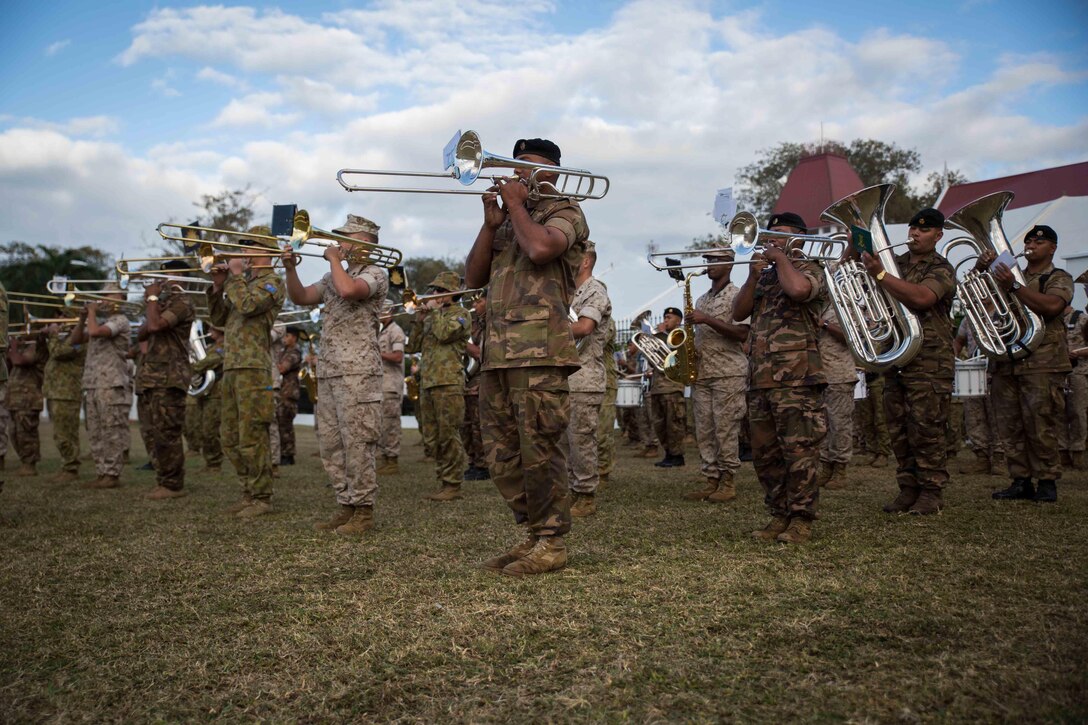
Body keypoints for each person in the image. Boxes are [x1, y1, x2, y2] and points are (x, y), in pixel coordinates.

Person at [464, 136, 589, 576]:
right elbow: (472, 277)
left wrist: (517, 208)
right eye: (516, 166)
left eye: (529, 167)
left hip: (540, 351)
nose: (519, 173)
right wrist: (489, 223)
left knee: (540, 449)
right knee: (502, 454)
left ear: (551, 172)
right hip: (498, 353)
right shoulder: (506, 223)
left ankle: (552, 542)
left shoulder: (566, 211)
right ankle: (534, 532)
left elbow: (541, 249)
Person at [283, 214, 386, 535]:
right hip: (329, 371)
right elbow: (300, 297)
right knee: (331, 443)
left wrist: (332, 260)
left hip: (359, 372)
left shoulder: (375, 274)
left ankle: (364, 511)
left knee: (357, 442)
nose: (335, 243)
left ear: (363, 243)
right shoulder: (333, 275)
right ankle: (346, 504)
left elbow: (347, 291)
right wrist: (290, 268)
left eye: (343, 238)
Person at [733, 212, 827, 543]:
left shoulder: (811, 269)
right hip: (761, 378)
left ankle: (801, 519)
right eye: (770, 235)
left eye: (781, 234)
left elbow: (800, 291)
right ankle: (778, 513)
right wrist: (751, 278)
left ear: (800, 237)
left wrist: (781, 259)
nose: (772, 240)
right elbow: (738, 312)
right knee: (766, 453)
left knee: (799, 451)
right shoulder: (766, 276)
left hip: (798, 379)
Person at [860, 208, 956, 515]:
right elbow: (868, 291)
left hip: (930, 360)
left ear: (938, 235)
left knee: (926, 427)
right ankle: (908, 487)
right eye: (913, 228)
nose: (915, 233)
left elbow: (922, 298)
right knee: (898, 427)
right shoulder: (894, 263)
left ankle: (931, 490)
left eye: (924, 230)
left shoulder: (941, 268)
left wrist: (880, 274)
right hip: (898, 356)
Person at [983, 225, 1072, 503]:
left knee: (1041, 422)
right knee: (1009, 423)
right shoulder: (1008, 275)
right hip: (1007, 360)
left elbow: (1052, 307)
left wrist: (1015, 286)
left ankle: (1046, 481)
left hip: (1042, 362)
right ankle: (1020, 479)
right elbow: (983, 305)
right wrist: (983, 270)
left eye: (1040, 240)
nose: (1032, 243)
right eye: (1029, 239)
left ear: (1053, 248)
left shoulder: (1058, 277)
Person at [206, 226, 285, 517]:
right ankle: (247, 491)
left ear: (265, 250)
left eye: (248, 246)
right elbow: (219, 320)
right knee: (229, 436)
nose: (242, 251)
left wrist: (236, 276)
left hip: (254, 368)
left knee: (252, 435)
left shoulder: (273, 282)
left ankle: (262, 497)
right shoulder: (241, 283)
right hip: (232, 365)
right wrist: (217, 286)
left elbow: (248, 305)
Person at [684, 248, 749, 502]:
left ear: (730, 263)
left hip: (728, 373)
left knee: (725, 428)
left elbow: (743, 333)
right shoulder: (700, 299)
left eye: (715, 260)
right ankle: (711, 478)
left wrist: (707, 320)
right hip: (702, 373)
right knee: (705, 429)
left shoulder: (738, 296)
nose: (709, 264)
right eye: (707, 260)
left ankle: (728, 481)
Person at [405, 271, 471, 501]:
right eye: (434, 290)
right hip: (428, 383)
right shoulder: (433, 316)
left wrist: (433, 312)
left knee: (448, 434)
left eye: (440, 291)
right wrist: (419, 320)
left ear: (452, 294)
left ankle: (453, 484)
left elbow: (444, 335)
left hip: (449, 383)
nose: (433, 294)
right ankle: (443, 479)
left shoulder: (461, 315)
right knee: (432, 437)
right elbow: (411, 347)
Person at [134, 268, 195, 500]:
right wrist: (153, 304)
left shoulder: (183, 302)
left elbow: (156, 326)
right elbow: (142, 334)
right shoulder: (162, 303)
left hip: (170, 376)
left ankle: (172, 484)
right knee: (151, 432)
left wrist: (151, 298)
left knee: (166, 432)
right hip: (152, 376)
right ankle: (162, 480)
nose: (161, 280)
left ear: (180, 276)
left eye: (167, 274)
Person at [566, 241, 612, 517]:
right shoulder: (568, 292)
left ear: (585, 261)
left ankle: (585, 497)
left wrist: (547, 327)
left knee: (581, 440)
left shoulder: (595, 290)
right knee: (566, 442)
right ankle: (572, 492)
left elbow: (583, 327)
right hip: (568, 376)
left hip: (585, 379)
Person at [71, 288, 134, 489]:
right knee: (95, 431)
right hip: (93, 384)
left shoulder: (120, 320)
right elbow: (75, 340)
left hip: (111, 384)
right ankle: (101, 472)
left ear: (121, 299)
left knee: (111, 431)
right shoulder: (99, 322)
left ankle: (112, 474)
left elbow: (97, 333)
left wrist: (91, 311)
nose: (103, 299)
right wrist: (82, 319)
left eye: (109, 295)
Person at [953, 316, 1004, 475]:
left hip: (996, 369)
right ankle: (981, 457)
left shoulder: (1002, 312)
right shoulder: (968, 318)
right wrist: (954, 354)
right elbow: (959, 341)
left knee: (996, 415)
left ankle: (1000, 458)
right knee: (973, 415)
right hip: (973, 368)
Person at [815, 298, 856, 490]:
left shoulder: (845, 303)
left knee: (839, 423)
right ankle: (825, 466)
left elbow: (852, 337)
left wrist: (824, 324)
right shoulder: (815, 303)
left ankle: (840, 468)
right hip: (817, 374)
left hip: (839, 373)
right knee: (821, 425)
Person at [43, 322, 86, 482]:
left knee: (67, 434)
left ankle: (71, 469)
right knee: (60, 433)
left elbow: (58, 353)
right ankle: (66, 466)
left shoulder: (81, 338)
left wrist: (53, 334)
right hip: (57, 391)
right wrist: (43, 337)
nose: (60, 321)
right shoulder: (66, 337)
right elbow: (45, 355)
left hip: (68, 392)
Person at [647, 307, 688, 468]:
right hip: (658, 386)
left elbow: (674, 355)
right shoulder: (661, 338)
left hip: (672, 387)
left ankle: (677, 455)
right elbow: (653, 360)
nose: (665, 320)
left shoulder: (679, 337)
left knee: (674, 424)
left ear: (678, 320)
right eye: (664, 317)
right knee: (659, 424)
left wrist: (661, 335)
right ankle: (668, 453)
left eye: (669, 317)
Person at [6, 333, 47, 477]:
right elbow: (10, 362)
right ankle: (24, 462)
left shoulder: (37, 346)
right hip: (14, 398)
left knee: (26, 433)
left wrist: (14, 347)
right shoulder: (23, 346)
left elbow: (19, 361)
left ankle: (30, 465)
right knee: (14, 433)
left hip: (28, 397)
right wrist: (9, 349)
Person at [462, 294, 489, 480]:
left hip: (482, 380)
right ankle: (472, 461)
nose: (474, 305)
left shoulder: (491, 324)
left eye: (479, 301)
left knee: (479, 425)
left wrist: (461, 343)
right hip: (466, 380)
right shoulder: (472, 323)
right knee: (465, 425)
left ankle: (483, 465)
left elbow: (481, 353)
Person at [376, 303, 406, 475]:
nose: (381, 313)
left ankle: (392, 461)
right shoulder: (380, 331)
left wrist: (376, 353)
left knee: (390, 424)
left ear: (392, 311)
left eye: (384, 310)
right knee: (380, 424)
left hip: (390, 385)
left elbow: (398, 356)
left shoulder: (396, 331)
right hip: (380, 385)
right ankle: (383, 459)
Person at [191, 325, 225, 472]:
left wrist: (192, 367)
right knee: (201, 428)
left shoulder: (225, 346)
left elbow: (211, 361)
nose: (209, 332)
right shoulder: (212, 346)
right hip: (206, 391)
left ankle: (214, 463)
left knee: (210, 429)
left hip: (217, 393)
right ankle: (209, 462)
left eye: (212, 329)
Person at [1060, 301, 1088, 470]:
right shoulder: (1051, 322)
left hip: (1079, 371)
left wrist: (1078, 352)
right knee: (1057, 412)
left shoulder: (1082, 318)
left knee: (1078, 411)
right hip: (1057, 371)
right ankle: (1061, 451)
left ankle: (1078, 451)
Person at [275, 326, 303, 466]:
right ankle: (281, 453)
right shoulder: (283, 351)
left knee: (285, 425)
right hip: (281, 392)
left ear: (293, 337)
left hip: (288, 393)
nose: (284, 339)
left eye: (286, 336)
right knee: (279, 424)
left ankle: (288, 455)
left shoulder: (294, 352)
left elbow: (282, 368)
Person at [596, 317, 619, 484]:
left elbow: (597, 341)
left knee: (602, 430)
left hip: (605, 382)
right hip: (581, 380)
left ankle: (603, 471)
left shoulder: (607, 321)